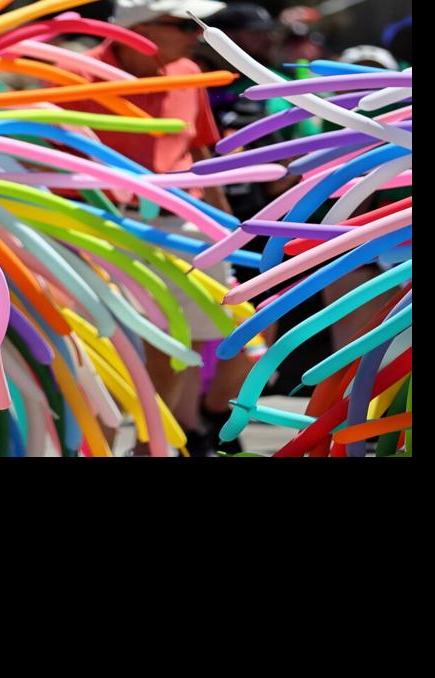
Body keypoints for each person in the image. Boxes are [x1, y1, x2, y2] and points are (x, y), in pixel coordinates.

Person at [72, 0, 251, 455]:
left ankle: (150, 445)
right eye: (184, 26)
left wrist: (223, 228)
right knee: (104, 340)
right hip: (102, 222)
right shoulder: (76, 73)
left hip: (182, 222)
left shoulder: (188, 72)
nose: (198, 35)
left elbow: (201, 151)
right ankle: (98, 446)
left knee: (178, 341)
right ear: (142, 29)